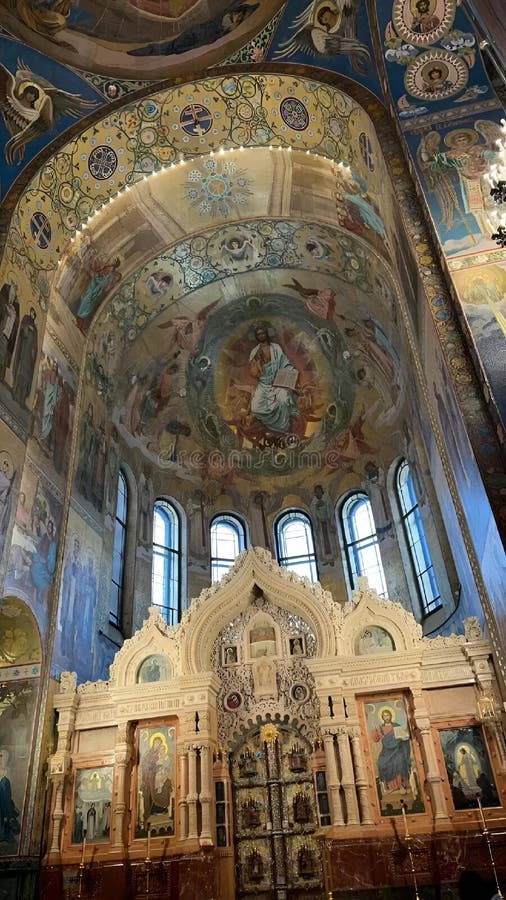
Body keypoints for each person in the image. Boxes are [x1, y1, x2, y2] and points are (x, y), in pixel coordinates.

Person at [128, 3, 259, 56]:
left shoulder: (229, 22)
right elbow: (233, 8)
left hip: (202, 37)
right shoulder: (225, 18)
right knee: (172, 48)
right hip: (199, 34)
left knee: (172, 49)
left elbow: (244, 12)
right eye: (237, 16)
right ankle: (146, 50)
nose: (237, 18)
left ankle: (147, 50)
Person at [248, 325, 300, 433]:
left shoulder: (276, 348)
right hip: (263, 385)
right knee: (255, 408)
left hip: (278, 382)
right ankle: (271, 428)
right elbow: (253, 374)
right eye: (259, 334)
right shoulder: (254, 352)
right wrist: (258, 362)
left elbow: (285, 363)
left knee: (283, 399)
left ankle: (283, 429)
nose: (261, 335)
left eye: (263, 333)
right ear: (256, 337)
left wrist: (291, 372)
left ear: (267, 334)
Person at [372, 708, 412, 793]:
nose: (387, 717)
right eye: (385, 715)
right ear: (382, 717)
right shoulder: (380, 728)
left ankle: (402, 785)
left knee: (399, 760)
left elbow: (405, 737)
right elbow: (375, 739)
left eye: (388, 715)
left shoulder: (397, 726)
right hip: (386, 751)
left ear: (391, 716)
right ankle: (391, 786)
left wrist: (403, 737)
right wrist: (375, 732)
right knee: (381, 762)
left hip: (397, 749)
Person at [12, 307, 38, 405]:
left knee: (26, 378)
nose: (32, 315)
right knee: (20, 374)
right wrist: (27, 328)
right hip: (23, 353)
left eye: (33, 314)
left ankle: (22, 400)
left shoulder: (35, 329)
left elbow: (35, 345)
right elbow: (22, 332)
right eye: (31, 312)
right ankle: (15, 394)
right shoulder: (26, 320)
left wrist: (33, 355)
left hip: (29, 358)